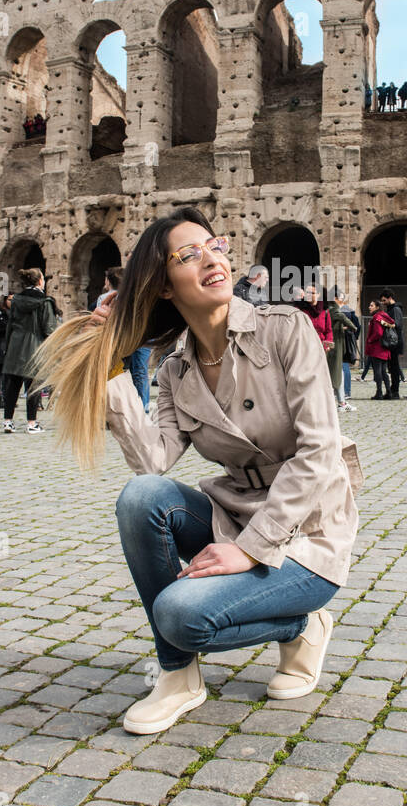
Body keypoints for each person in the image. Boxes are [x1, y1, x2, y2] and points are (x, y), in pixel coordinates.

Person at [29, 205, 362, 735]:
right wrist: (111, 359)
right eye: (189, 255)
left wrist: (250, 547)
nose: (213, 261)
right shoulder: (174, 371)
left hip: (307, 531)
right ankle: (178, 675)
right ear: (163, 286)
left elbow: (320, 450)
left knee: (180, 616)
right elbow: (150, 464)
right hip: (234, 513)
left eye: (215, 246)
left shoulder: (284, 330)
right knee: (141, 497)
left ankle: (303, 624)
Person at [1, 268, 59, 434]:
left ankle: (8, 421)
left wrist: (8, 345)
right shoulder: (44, 301)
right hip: (34, 345)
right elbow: (48, 327)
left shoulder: (16, 300)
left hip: (15, 345)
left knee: (13, 385)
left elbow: (10, 324)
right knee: (33, 386)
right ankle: (32, 423)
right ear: (40, 281)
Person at [326, 289, 356, 413]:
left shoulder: (327, 310)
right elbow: (352, 325)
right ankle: (341, 403)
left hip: (331, 345)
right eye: (341, 299)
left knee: (337, 374)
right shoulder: (335, 310)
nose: (342, 302)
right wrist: (349, 326)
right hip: (334, 346)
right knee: (337, 374)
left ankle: (341, 401)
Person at [365, 300, 395, 401]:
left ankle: (379, 393)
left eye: (371, 305)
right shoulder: (384, 316)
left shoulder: (376, 317)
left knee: (377, 372)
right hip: (384, 348)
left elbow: (378, 333)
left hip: (377, 348)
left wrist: (370, 339)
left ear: (377, 307)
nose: (369, 307)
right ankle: (389, 392)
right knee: (383, 372)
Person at [379, 289, 404, 399]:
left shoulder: (396, 309)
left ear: (389, 298)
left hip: (394, 342)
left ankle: (395, 391)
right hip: (392, 342)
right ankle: (392, 390)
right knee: (392, 367)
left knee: (394, 367)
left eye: (384, 300)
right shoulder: (391, 309)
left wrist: (384, 323)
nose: (383, 303)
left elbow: (397, 324)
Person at [338, 294, 360, 404]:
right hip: (347, 340)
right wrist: (354, 337)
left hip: (341, 340)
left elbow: (356, 327)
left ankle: (345, 392)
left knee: (343, 365)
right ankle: (346, 392)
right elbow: (357, 327)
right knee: (344, 366)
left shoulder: (339, 312)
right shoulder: (350, 311)